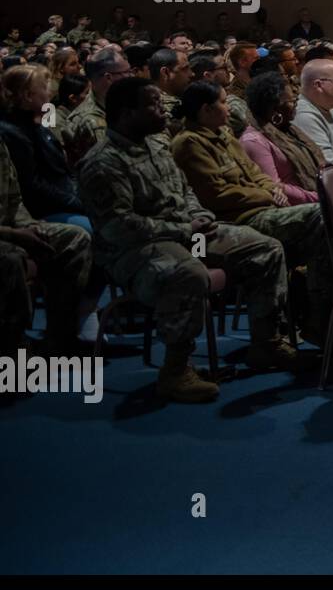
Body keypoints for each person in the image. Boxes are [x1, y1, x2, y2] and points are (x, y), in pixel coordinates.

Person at [79, 78, 300, 401]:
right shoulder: (103, 162)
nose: (164, 109)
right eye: (153, 105)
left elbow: (186, 191)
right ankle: (175, 371)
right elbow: (118, 226)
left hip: (186, 232)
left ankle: (266, 343)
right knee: (186, 273)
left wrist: (202, 218)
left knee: (265, 247)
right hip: (132, 251)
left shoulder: (156, 145)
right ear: (127, 114)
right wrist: (185, 230)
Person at [169, 81, 333, 353]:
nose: (230, 108)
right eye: (224, 102)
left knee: (324, 233)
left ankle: (318, 320)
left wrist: (270, 187)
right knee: (320, 216)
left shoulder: (222, 134)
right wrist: (268, 195)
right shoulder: (189, 144)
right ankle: (301, 324)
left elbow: (254, 172)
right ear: (206, 110)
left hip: (262, 210)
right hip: (233, 221)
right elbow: (218, 195)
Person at [0, 141, 92, 359]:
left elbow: (14, 199)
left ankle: (59, 338)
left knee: (75, 239)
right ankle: (12, 349)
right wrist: (14, 235)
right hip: (5, 237)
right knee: (10, 260)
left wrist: (28, 226)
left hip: (11, 229)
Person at [0, 65, 89, 231]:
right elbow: (34, 187)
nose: (50, 93)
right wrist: (77, 203)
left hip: (66, 195)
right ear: (27, 95)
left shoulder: (36, 125)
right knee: (93, 228)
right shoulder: (13, 134)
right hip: (44, 209)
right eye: (44, 87)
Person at [239, 71, 325, 205]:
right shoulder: (254, 141)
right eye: (291, 101)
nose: (296, 104)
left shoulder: (289, 130)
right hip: (301, 205)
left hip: (319, 194)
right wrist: (319, 197)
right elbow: (275, 187)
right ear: (275, 108)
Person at [62, 47, 132, 166]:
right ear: (108, 77)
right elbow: (115, 165)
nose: (131, 76)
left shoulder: (117, 102)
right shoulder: (91, 121)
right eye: (126, 72)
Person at [147, 47, 192, 136]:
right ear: (166, 73)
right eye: (185, 69)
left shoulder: (182, 98)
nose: (191, 74)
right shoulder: (158, 110)